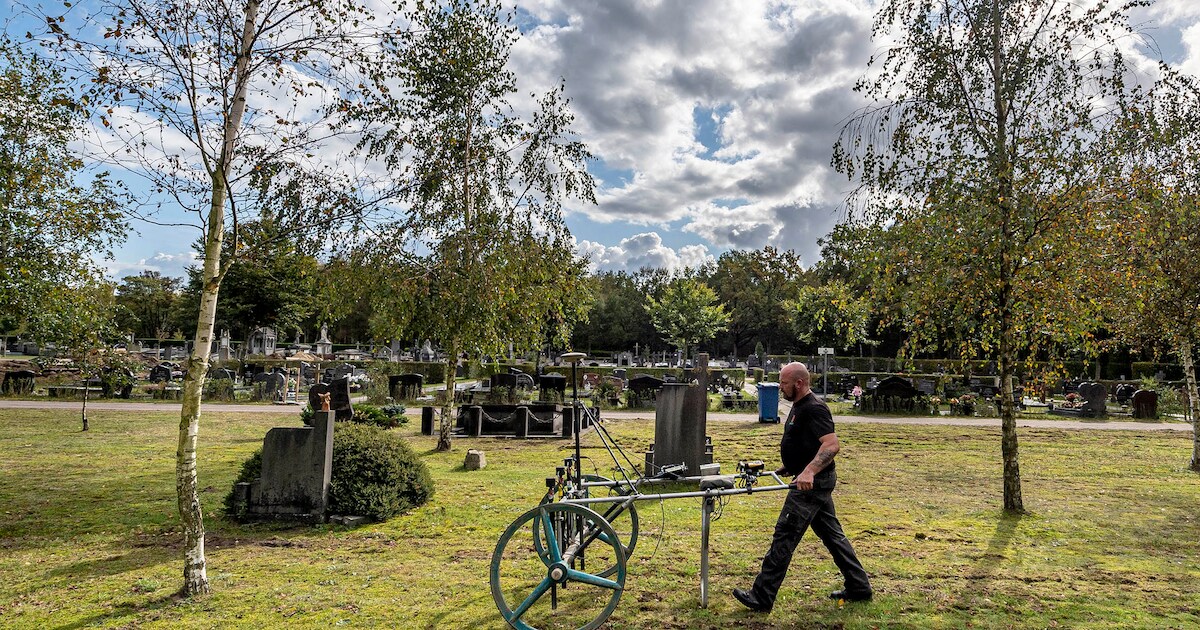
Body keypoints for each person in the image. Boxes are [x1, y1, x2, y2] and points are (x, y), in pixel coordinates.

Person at [733, 362, 872, 613]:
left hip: (812, 483)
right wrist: (792, 465)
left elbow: (831, 445)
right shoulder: (798, 406)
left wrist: (808, 471)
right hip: (807, 477)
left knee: (785, 533)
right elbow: (807, 443)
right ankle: (859, 586)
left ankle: (761, 596)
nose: (781, 387)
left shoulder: (815, 408)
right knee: (832, 536)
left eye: (784, 383)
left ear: (799, 383)